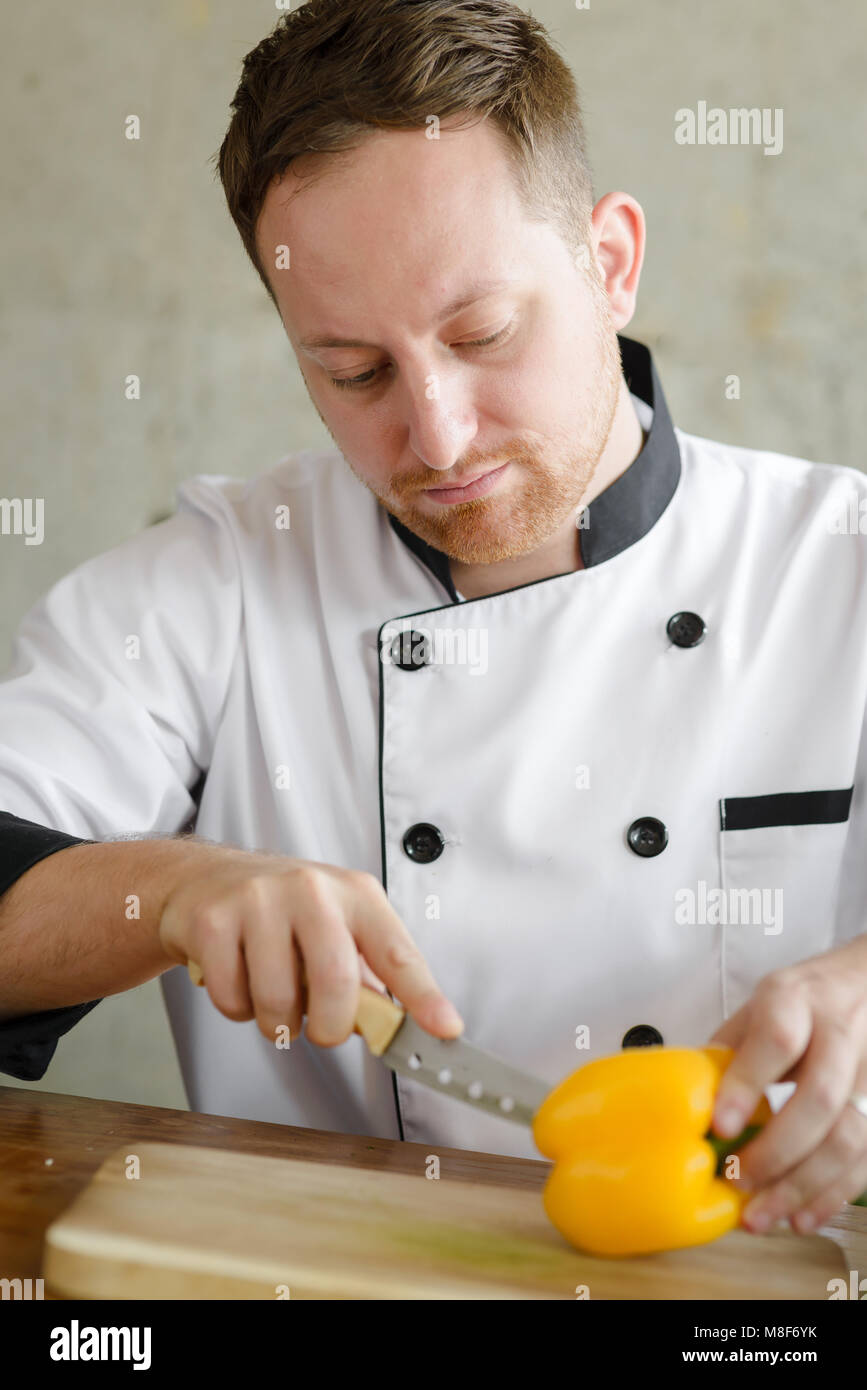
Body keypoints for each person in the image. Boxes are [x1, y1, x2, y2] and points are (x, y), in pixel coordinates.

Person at [1, 1, 866, 1238]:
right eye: (354, 372)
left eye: (484, 334)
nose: (438, 436)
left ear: (611, 262)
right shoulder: (214, 588)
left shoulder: (840, 566)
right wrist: (176, 889)